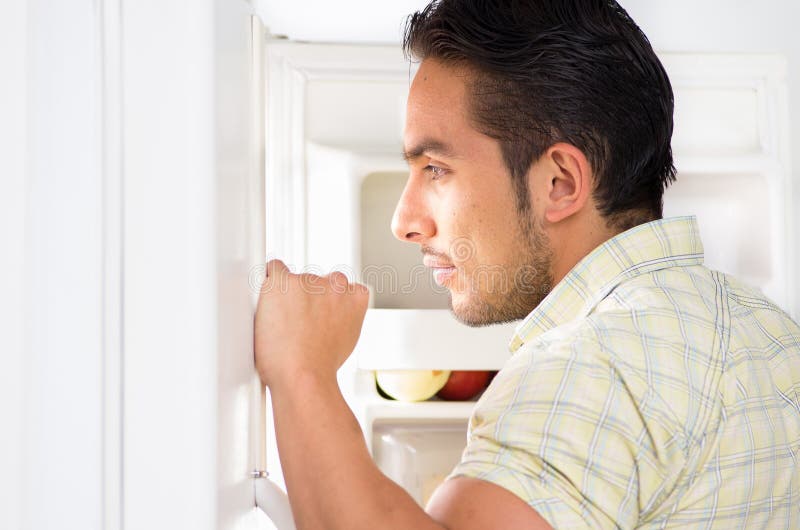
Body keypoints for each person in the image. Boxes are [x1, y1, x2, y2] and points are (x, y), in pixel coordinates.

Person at [254, 0, 800, 528]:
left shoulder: (591, 365)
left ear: (559, 182)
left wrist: (302, 373)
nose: (405, 221)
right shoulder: (769, 330)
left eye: (436, 168)